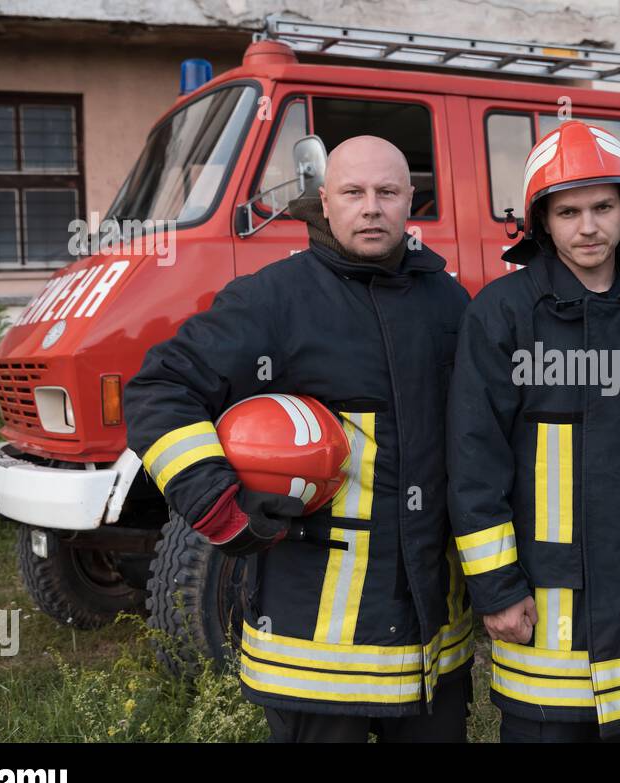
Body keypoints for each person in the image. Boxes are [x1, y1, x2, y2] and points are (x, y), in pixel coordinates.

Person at [125, 135, 474, 742]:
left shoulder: (447, 301)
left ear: (410, 201)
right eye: (353, 193)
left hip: (429, 649)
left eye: (387, 192)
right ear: (325, 201)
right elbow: (160, 388)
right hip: (316, 654)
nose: (371, 207)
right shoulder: (273, 299)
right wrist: (215, 502)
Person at [447, 120, 620, 742]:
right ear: (541, 222)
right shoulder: (502, 315)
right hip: (544, 624)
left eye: (603, 206)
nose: (587, 227)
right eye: (567, 210)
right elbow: (475, 459)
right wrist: (496, 588)